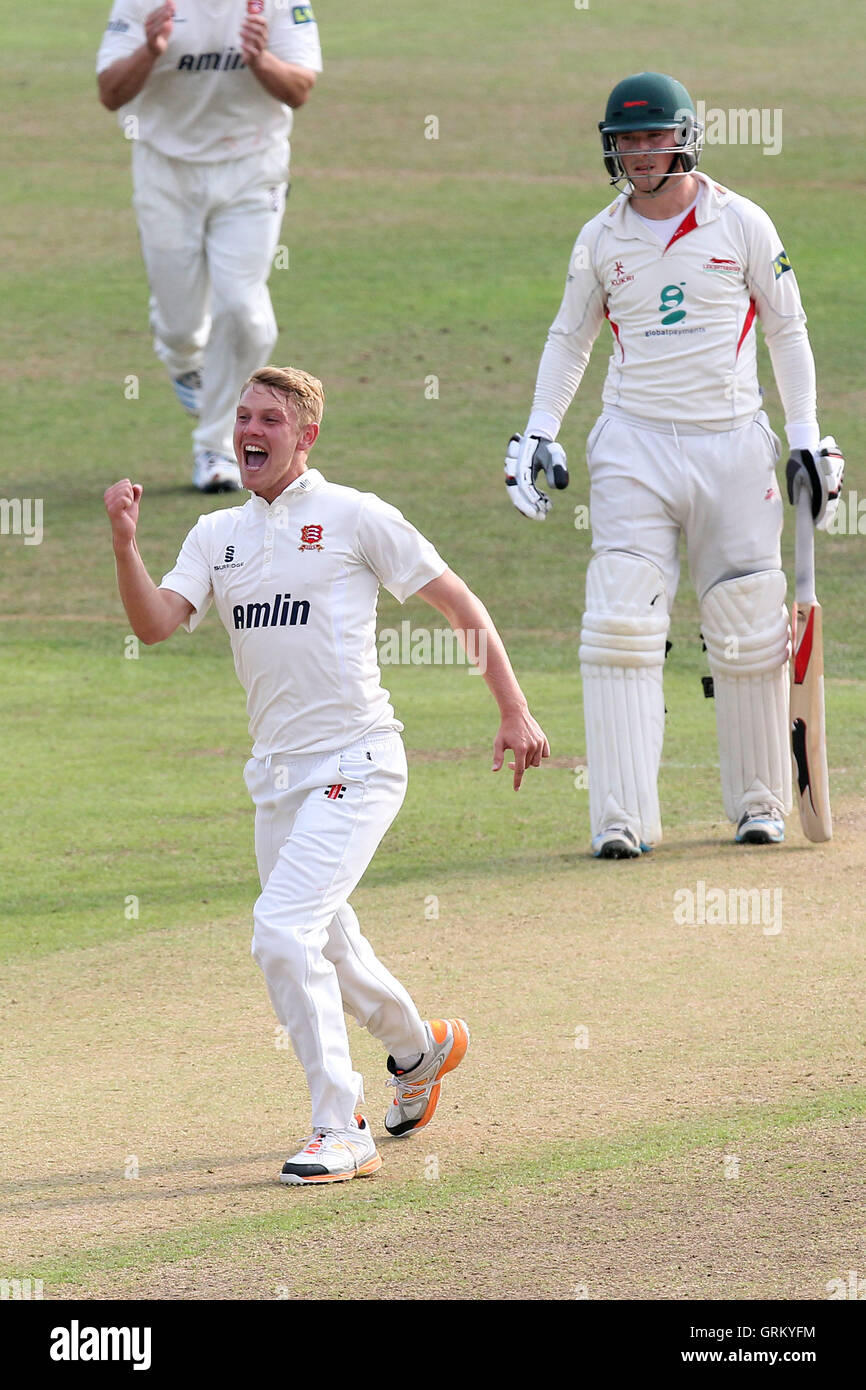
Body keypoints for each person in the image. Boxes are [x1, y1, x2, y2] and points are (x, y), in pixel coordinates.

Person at [104, 365, 549, 1184]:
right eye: (242, 416)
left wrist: (513, 711)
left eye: (270, 418)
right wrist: (127, 547)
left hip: (360, 761)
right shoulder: (215, 535)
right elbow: (156, 624)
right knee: (330, 944)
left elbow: (461, 607)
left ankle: (338, 1125)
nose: (251, 430)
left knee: (281, 933)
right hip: (275, 778)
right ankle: (421, 1050)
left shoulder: (356, 517)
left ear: (305, 436)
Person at [504, 71, 843, 859]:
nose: (640, 151)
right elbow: (569, 337)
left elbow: (787, 332)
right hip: (633, 442)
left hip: (732, 443)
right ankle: (621, 820)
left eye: (654, 136)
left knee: (751, 623)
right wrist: (537, 432)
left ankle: (760, 803)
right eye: (626, 139)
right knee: (622, 619)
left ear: (686, 138)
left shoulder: (744, 223)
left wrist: (804, 435)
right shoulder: (600, 237)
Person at [96, 1, 322, 493]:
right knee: (180, 327)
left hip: (252, 169)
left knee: (244, 310)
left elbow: (300, 89)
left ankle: (215, 447)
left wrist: (261, 60)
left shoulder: (279, 4)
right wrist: (150, 51)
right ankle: (184, 362)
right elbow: (111, 93)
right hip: (165, 171)